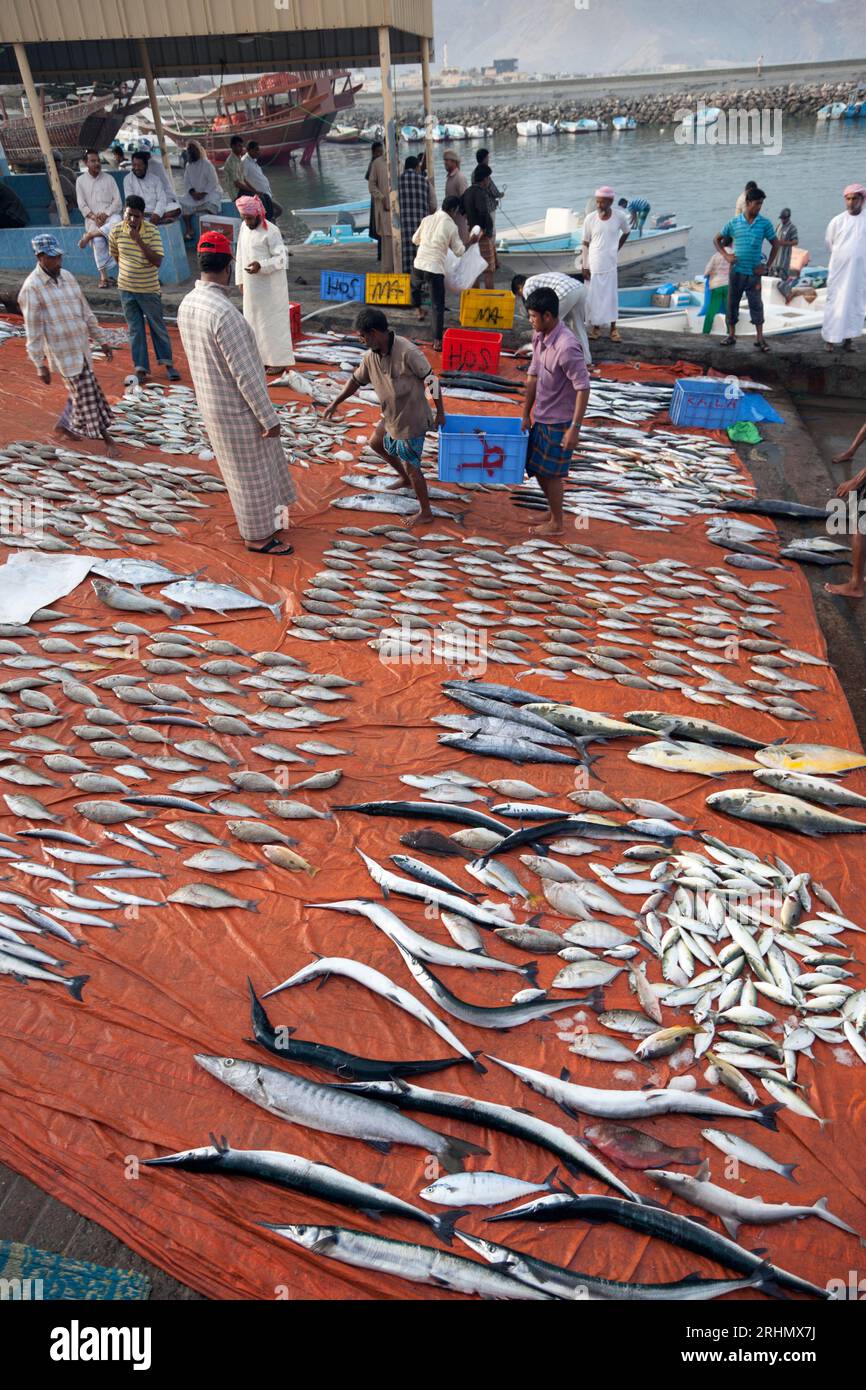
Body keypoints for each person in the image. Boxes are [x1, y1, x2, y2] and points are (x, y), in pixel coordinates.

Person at [177, 229, 295, 555]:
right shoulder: (225, 315)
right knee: (252, 475)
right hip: (236, 408)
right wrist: (268, 417)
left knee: (241, 472)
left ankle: (270, 522)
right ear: (228, 266)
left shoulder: (189, 303)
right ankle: (257, 537)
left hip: (211, 403)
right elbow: (247, 377)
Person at [323, 307, 444, 529]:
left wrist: (441, 413)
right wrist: (335, 402)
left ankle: (426, 511)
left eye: (363, 336)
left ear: (375, 333)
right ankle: (405, 478)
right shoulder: (370, 357)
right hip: (391, 415)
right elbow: (355, 380)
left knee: (413, 466)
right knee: (376, 443)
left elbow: (431, 380)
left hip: (412, 418)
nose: (361, 340)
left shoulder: (408, 351)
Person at [18, 233, 115, 451]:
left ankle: (64, 425)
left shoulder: (68, 277)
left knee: (80, 393)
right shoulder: (31, 288)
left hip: (81, 347)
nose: (58, 262)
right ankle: (107, 439)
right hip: (63, 353)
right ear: (39, 256)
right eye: (53, 258)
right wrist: (39, 364)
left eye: (59, 257)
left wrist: (102, 340)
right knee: (89, 395)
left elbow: (86, 311)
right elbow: (33, 331)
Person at [521, 285, 590, 537]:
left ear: (548, 316)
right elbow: (533, 376)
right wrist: (525, 414)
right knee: (538, 468)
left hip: (560, 420)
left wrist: (575, 428)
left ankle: (557, 523)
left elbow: (583, 388)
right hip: (541, 415)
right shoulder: (539, 337)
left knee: (552, 475)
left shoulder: (567, 346)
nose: (530, 321)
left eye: (533, 316)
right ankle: (552, 510)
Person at [109, 195, 181, 385]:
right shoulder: (115, 231)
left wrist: (138, 241)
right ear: (124, 213)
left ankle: (168, 364)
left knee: (158, 327)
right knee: (135, 329)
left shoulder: (151, 231)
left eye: (136, 216)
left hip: (148, 289)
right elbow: (115, 256)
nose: (132, 220)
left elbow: (157, 261)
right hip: (126, 288)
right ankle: (141, 367)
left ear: (143, 216)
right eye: (129, 215)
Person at [234, 194, 294, 372]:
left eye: (250, 218)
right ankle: (259, 358)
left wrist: (262, 266)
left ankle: (278, 361)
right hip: (252, 286)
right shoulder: (244, 227)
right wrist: (240, 280)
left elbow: (282, 259)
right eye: (244, 217)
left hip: (271, 287)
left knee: (272, 324)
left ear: (259, 214)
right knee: (253, 323)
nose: (247, 221)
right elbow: (240, 254)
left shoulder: (272, 231)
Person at [412, 196, 478, 349]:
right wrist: (470, 241)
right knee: (437, 306)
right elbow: (459, 251)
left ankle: (419, 310)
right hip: (434, 269)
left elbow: (415, 239)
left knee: (414, 287)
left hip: (418, 265)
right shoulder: (451, 226)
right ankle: (437, 341)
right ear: (453, 210)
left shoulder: (427, 219)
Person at [716, 187, 778, 350]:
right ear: (748, 203)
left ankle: (760, 338)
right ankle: (731, 335)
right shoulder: (734, 223)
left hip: (754, 273)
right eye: (757, 204)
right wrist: (727, 256)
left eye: (761, 204)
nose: (759, 207)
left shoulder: (764, 223)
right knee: (732, 303)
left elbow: (776, 243)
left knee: (756, 305)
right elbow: (717, 239)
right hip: (736, 271)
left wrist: (767, 266)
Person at [581, 186, 630, 341]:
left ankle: (613, 329)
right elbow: (585, 242)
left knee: (610, 296)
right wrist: (584, 265)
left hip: (610, 263)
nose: (598, 205)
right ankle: (595, 328)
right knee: (594, 296)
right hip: (594, 263)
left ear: (610, 201)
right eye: (597, 202)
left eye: (601, 202)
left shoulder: (619, 217)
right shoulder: (590, 219)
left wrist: (616, 248)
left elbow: (627, 232)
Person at [511, 271, 592, 365]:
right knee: (578, 327)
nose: (522, 296)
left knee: (547, 325)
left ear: (519, 287)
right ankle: (586, 360)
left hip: (565, 292)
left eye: (519, 294)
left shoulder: (527, 286)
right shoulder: (538, 278)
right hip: (580, 289)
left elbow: (535, 312)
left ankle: (542, 356)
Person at [822, 184, 866, 353]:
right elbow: (829, 243)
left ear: (862, 200)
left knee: (855, 304)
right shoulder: (837, 221)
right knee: (835, 303)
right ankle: (830, 340)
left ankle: (849, 340)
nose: (851, 202)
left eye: (854, 198)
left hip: (858, 272)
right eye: (848, 198)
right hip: (839, 271)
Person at [76, 148, 122, 288]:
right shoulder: (80, 181)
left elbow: (118, 202)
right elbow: (81, 204)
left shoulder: (109, 178)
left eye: (98, 161)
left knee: (117, 224)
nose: (97, 164)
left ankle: (89, 235)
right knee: (98, 240)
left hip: (110, 217)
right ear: (86, 163)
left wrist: (106, 214)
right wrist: (94, 217)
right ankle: (104, 277)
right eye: (93, 161)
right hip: (92, 219)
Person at [398, 155, 436, 275]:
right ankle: (421, 286)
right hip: (421, 226)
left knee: (405, 254)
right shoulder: (425, 182)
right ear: (417, 167)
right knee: (420, 255)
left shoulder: (396, 182)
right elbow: (433, 206)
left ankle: (406, 283)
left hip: (402, 226)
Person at [123, 150, 181, 225]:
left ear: (146, 166)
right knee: (130, 214)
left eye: (139, 165)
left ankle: (155, 219)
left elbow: (161, 199)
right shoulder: (127, 179)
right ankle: (158, 220)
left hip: (155, 211)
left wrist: (157, 214)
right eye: (134, 165)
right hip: (139, 212)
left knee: (177, 209)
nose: (136, 168)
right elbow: (130, 201)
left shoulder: (155, 179)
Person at [180, 140, 223, 239]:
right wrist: (193, 193)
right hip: (194, 195)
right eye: (189, 149)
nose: (191, 151)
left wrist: (203, 194)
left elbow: (213, 182)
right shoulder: (188, 166)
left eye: (193, 149)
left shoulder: (206, 164)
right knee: (182, 205)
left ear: (198, 150)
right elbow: (187, 182)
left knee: (212, 203)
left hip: (208, 193)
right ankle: (189, 229)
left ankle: (213, 232)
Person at [463, 164, 496, 289]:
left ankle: (477, 296)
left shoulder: (467, 192)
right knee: (488, 270)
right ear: (485, 179)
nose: (489, 181)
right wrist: (484, 230)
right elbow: (483, 212)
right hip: (482, 235)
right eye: (488, 178)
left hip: (471, 233)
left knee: (475, 270)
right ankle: (489, 297)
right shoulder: (480, 193)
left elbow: (462, 209)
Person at [367, 140, 394, 271]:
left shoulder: (400, 163)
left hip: (398, 213)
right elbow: (371, 185)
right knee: (387, 249)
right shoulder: (377, 163)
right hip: (384, 211)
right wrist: (381, 197)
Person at [241, 142, 282, 222]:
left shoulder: (253, 161)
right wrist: (254, 191)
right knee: (279, 210)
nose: (259, 152)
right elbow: (243, 179)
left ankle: (270, 224)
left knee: (274, 213)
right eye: (256, 150)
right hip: (259, 196)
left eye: (258, 150)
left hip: (266, 194)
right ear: (249, 150)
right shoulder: (244, 161)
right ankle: (269, 224)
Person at [702, 236, 732, 334]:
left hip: (716, 286)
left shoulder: (715, 256)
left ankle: (705, 332)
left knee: (711, 311)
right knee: (729, 310)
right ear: (731, 243)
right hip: (729, 286)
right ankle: (730, 333)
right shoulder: (734, 254)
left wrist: (708, 275)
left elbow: (707, 272)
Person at [442, 150, 469, 244]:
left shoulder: (460, 178)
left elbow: (465, 201)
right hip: (451, 222)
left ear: (454, 162)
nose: (445, 163)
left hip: (459, 222)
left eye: (447, 160)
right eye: (444, 160)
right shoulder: (449, 178)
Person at [224, 135, 254, 201]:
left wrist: (254, 189)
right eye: (239, 146)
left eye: (242, 146)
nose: (242, 148)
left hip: (242, 190)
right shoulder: (231, 161)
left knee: (262, 196)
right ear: (232, 146)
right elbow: (237, 184)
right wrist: (252, 190)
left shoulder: (238, 159)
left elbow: (243, 179)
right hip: (236, 194)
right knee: (259, 198)